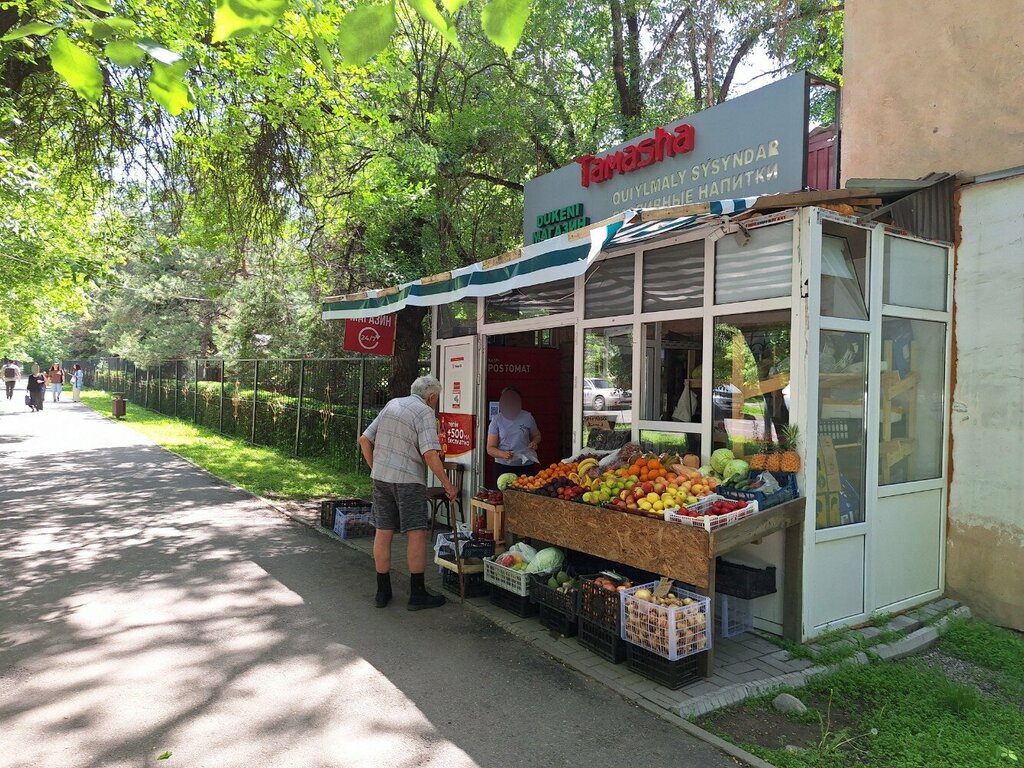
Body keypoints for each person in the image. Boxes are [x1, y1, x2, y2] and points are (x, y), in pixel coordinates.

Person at [358, 375, 457, 611]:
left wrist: (377, 468)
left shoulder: (392, 403)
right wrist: (448, 485)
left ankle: (382, 592)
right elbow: (430, 454)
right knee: (416, 533)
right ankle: (417, 593)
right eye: (437, 399)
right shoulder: (424, 412)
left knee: (383, 532)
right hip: (408, 482)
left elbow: (364, 439)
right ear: (431, 397)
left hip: (381, 478)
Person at [486, 386, 542, 478]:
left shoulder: (528, 417)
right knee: (503, 492)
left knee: (526, 492)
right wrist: (503, 454)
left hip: (525, 465)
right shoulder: (496, 420)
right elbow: (490, 448)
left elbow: (537, 435)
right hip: (503, 467)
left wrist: (534, 442)